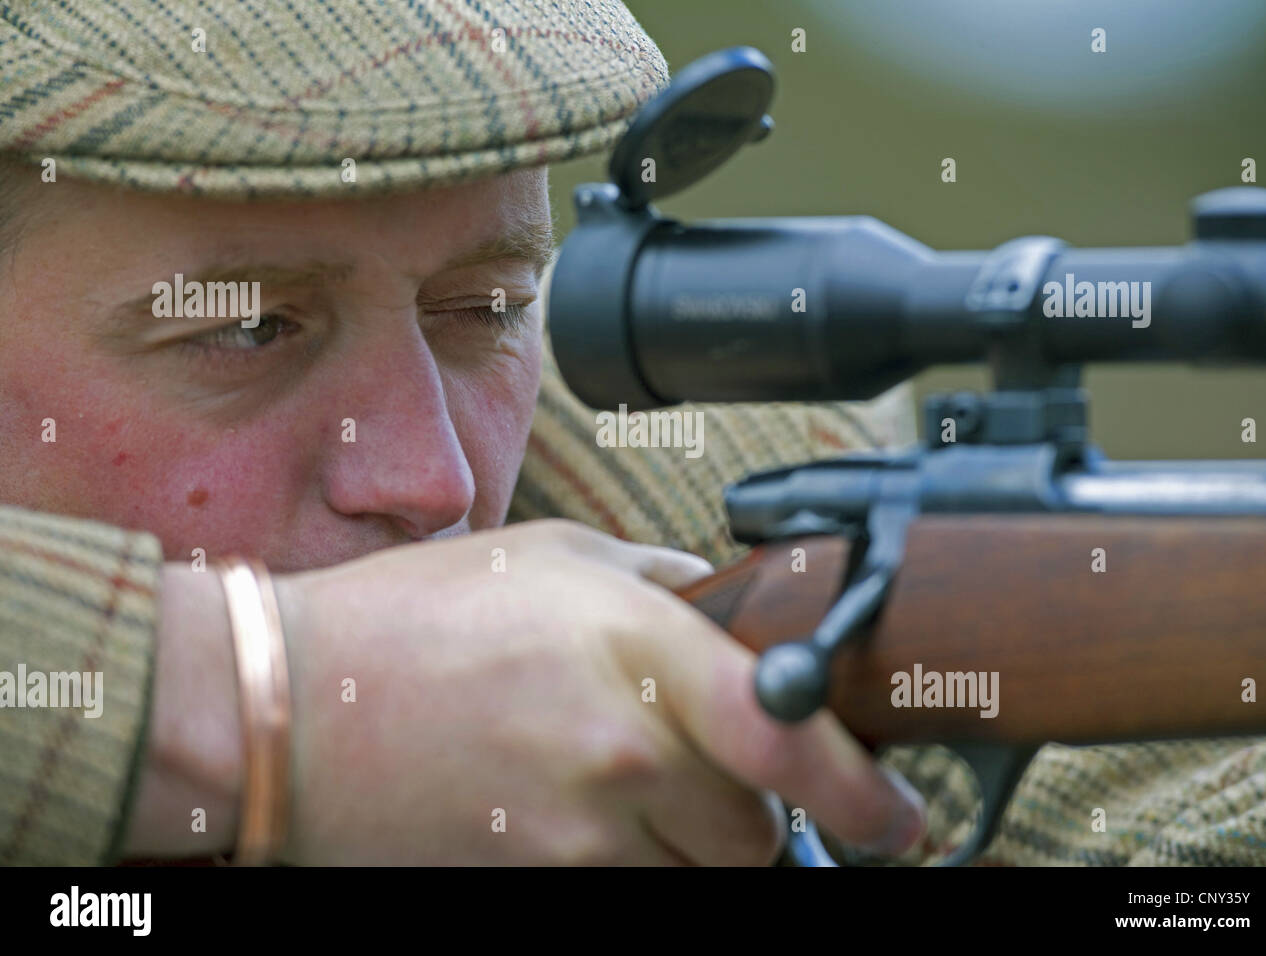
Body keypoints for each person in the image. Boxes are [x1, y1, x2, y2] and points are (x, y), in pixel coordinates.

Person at [0, 0, 926, 865]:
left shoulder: (753, 491)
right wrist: (277, 701)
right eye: (248, 329)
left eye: (485, 309)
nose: (433, 481)